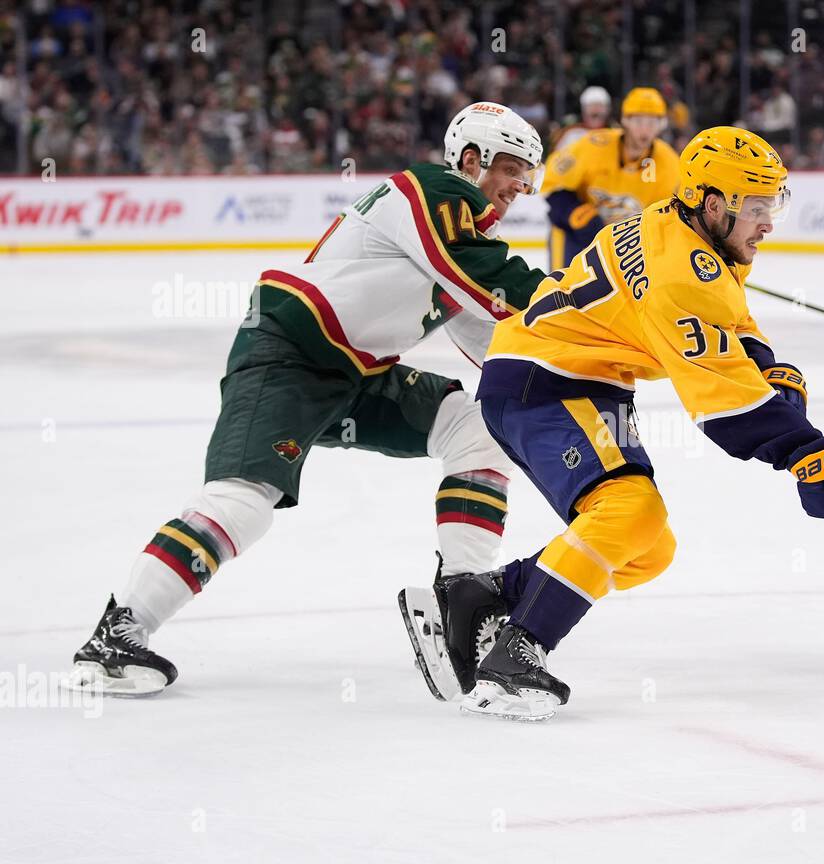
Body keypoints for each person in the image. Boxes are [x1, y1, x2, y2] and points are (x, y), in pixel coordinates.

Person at [67, 102, 549, 699]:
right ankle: (117, 635)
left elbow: (502, 341)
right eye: (511, 168)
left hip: (356, 371)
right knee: (243, 503)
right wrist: (584, 299)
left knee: (476, 431)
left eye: (527, 178)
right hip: (289, 351)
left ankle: (463, 600)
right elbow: (502, 286)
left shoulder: (461, 247)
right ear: (471, 158)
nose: (518, 187)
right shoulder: (433, 189)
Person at [456, 127, 824, 720]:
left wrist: (769, 371)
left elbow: (730, 319)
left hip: (580, 379)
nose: (769, 222)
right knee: (631, 513)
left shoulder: (684, 228)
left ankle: (491, 595)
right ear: (714, 204)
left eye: (773, 204)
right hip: (544, 379)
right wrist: (813, 455)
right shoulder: (682, 271)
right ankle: (516, 654)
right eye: (758, 207)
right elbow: (728, 412)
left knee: (649, 547)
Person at [541, 87, 680, 270]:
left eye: (652, 122)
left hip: (626, 246)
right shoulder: (593, 145)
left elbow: (666, 215)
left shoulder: (668, 162)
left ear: (661, 125)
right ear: (625, 121)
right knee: (561, 294)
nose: (645, 130)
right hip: (577, 238)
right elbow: (553, 185)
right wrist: (575, 214)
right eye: (639, 121)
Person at [552, 85, 612, 152]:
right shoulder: (572, 135)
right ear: (583, 111)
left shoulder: (616, 136)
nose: (595, 110)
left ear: (608, 110)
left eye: (600, 106)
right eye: (591, 106)